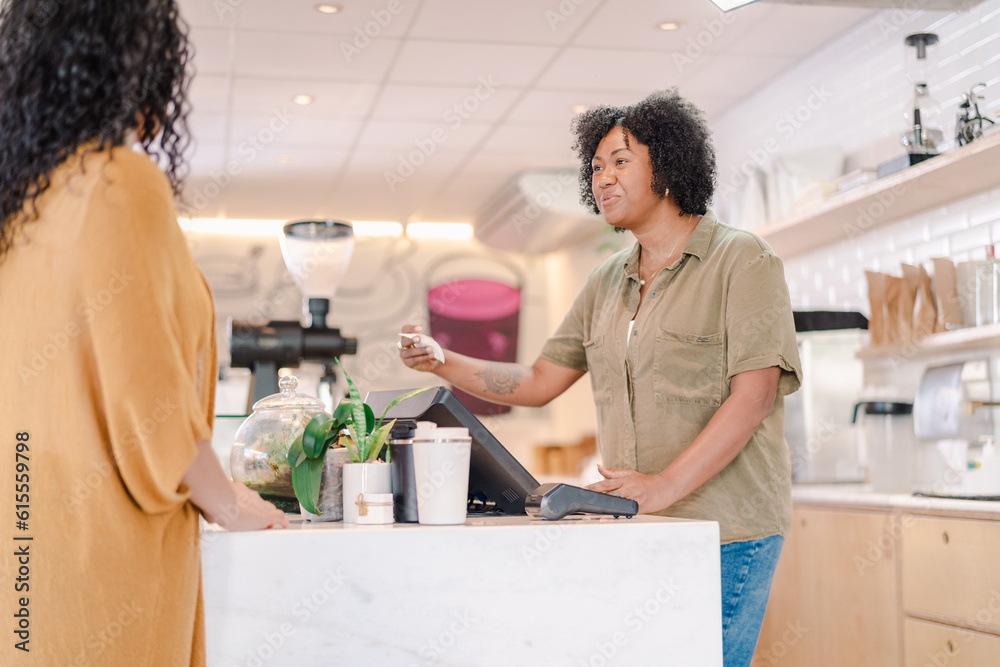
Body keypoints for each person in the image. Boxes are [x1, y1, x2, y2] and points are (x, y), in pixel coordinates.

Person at [399, 89, 802, 667]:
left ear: (667, 165)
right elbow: (538, 380)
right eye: (596, 167)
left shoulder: (744, 261)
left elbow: (753, 397)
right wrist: (443, 361)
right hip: (636, 526)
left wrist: (662, 486)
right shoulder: (607, 281)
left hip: (726, 531)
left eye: (620, 161)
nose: (603, 179)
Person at [0, 1, 288, 664]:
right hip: (101, 549)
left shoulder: (22, 203)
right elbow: (149, 396)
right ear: (138, 62)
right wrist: (230, 502)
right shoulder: (116, 182)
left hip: (25, 551)